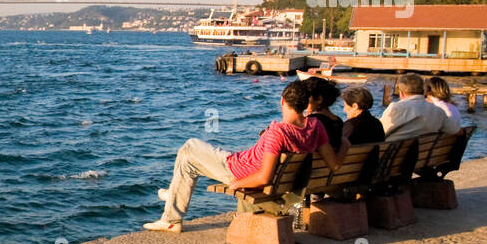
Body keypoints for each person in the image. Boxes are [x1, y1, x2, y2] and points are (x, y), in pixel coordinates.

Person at [144, 80, 340, 231]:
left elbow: (264, 177)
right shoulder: (316, 126)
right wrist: (345, 144)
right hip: (244, 161)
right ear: (306, 104)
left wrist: (238, 183)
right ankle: (173, 197)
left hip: (238, 170)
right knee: (190, 156)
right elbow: (334, 165)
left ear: (282, 101)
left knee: (189, 147)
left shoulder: (278, 132)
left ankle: (171, 215)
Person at [380, 73, 461, 139]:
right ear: (423, 90)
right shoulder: (437, 111)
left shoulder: (396, 108)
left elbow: (380, 132)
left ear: (402, 93)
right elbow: (453, 130)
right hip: (422, 155)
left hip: (392, 155)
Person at [339, 86, 385, 152]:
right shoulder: (377, 123)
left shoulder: (351, 126)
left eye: (345, 105)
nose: (344, 110)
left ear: (355, 106)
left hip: (352, 161)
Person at [301, 76, 343, 149]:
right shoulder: (338, 121)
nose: (303, 100)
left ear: (319, 99)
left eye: (306, 96)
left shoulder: (312, 122)